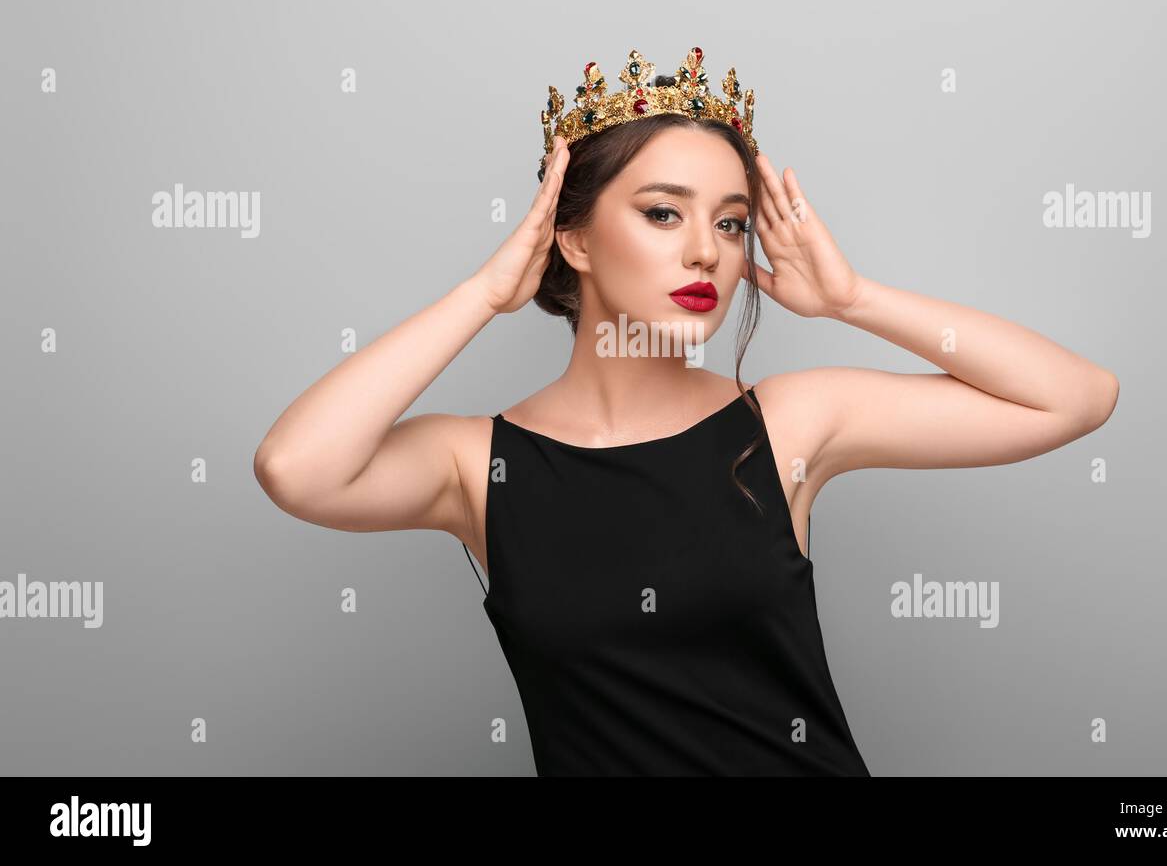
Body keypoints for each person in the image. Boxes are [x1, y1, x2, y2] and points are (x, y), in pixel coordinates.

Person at [253, 46, 1119, 776]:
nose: (707, 249)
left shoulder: (785, 426)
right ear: (576, 237)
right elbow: (296, 468)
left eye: (733, 223)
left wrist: (853, 300)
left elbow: (1076, 397)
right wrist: (484, 293)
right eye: (663, 213)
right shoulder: (480, 466)